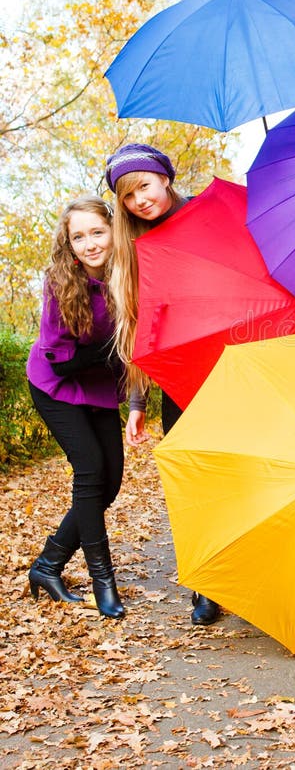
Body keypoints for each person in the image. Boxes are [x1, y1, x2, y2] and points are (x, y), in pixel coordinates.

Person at [106, 143, 221, 627]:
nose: (139, 201)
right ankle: (207, 583)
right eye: (128, 196)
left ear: (165, 179)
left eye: (144, 187)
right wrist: (138, 402)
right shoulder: (135, 247)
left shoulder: (211, 218)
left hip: (235, 364)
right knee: (192, 481)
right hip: (181, 378)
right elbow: (144, 327)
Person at [26, 195, 126, 619]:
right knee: (90, 471)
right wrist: (115, 348)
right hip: (55, 385)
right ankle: (104, 581)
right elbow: (60, 361)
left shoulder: (128, 274)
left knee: (111, 481)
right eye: (78, 237)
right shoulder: (60, 282)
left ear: (114, 231)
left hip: (99, 387)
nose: (90, 244)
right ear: (68, 243)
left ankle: (48, 564)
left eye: (97, 232)